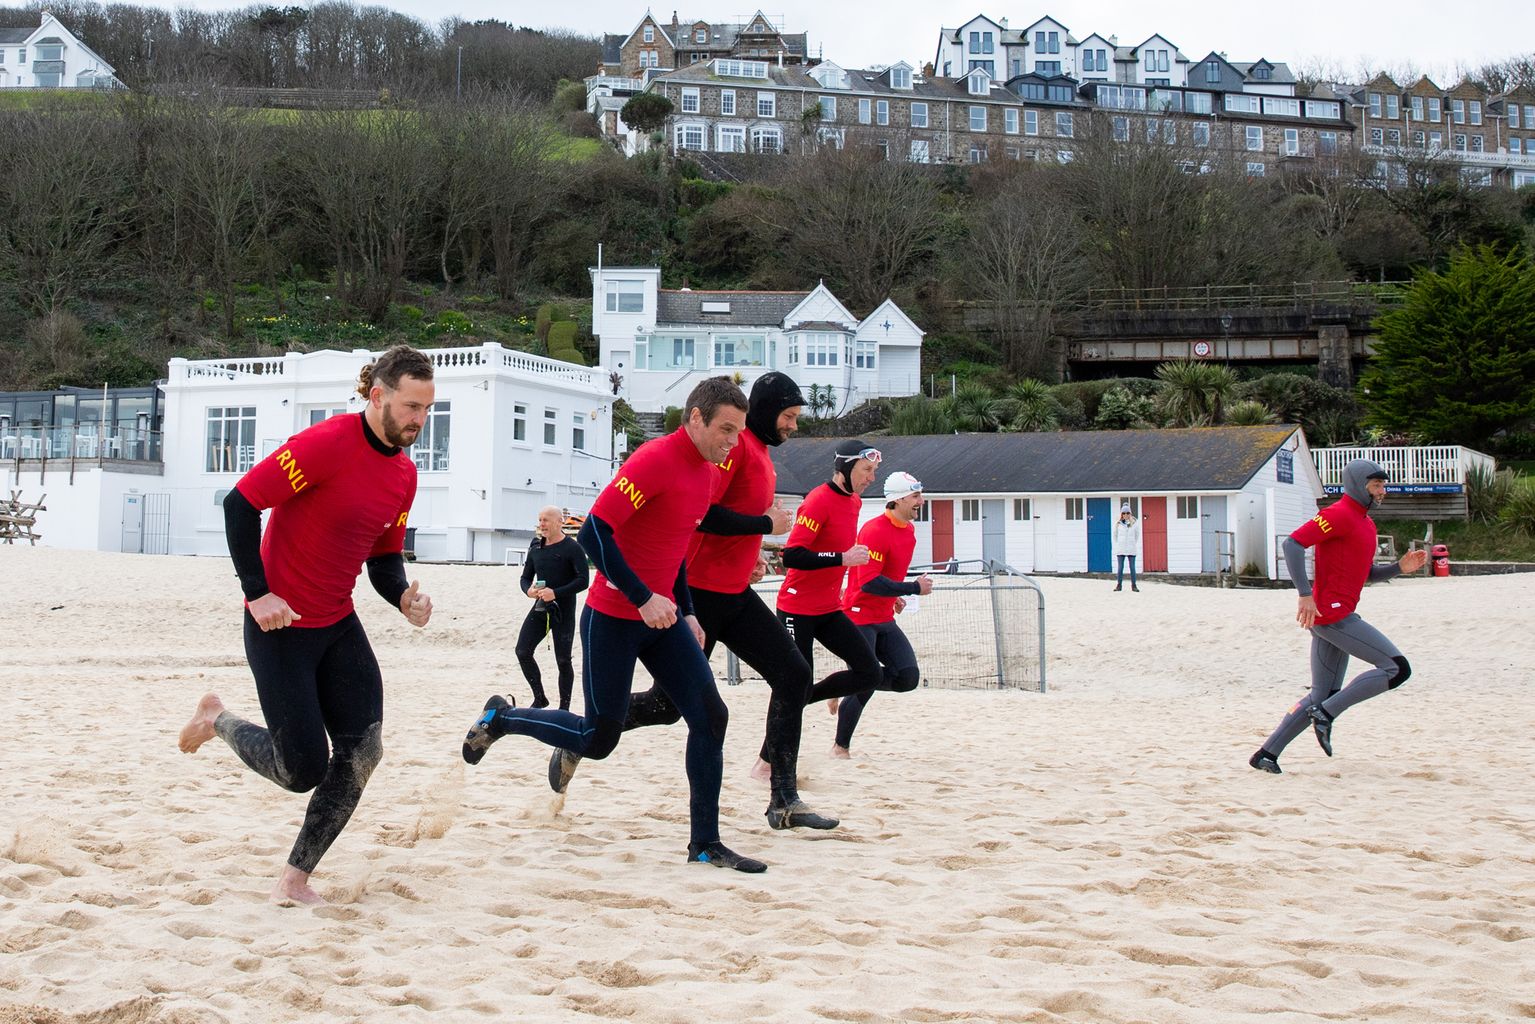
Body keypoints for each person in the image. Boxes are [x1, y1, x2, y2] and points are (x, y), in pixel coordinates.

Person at [461, 377, 768, 873]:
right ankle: (502, 718)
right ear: (696, 418)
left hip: (663, 617)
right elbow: (594, 534)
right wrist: (642, 597)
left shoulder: (707, 474)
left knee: (711, 716)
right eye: (726, 430)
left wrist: (688, 610)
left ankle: (705, 843)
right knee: (598, 738)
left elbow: (675, 550)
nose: (733, 442)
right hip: (613, 617)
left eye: (739, 431)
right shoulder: (654, 460)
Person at [177, 345, 436, 907]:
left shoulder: (404, 475)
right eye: (412, 407)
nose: (420, 419)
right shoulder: (324, 444)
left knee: (363, 752)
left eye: (427, 409)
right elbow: (240, 503)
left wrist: (402, 598)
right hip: (280, 627)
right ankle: (216, 718)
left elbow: (383, 559)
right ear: (378, 396)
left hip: (337, 622)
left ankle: (294, 879)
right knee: (301, 771)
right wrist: (258, 593)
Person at [546, 372, 846, 831]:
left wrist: (752, 553)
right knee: (668, 707)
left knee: (793, 673)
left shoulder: (753, 450)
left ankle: (783, 798)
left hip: (733, 591)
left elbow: (723, 516)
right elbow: (703, 517)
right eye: (787, 416)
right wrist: (764, 527)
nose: (793, 425)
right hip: (699, 591)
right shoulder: (727, 448)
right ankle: (584, 735)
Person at [1249, 458, 1428, 774]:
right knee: (1396, 668)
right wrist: (1304, 594)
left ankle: (1266, 754)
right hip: (1332, 615)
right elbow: (1293, 544)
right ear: (1358, 484)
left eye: (1383, 485)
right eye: (1376, 485)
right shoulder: (1338, 514)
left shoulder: (1365, 523)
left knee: (1322, 694)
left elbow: (1366, 573)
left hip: (1332, 616)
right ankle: (1327, 713)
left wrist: (1399, 568)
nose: (1382, 491)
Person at [774, 440, 887, 760]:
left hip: (828, 608)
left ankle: (804, 696)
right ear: (845, 468)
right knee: (795, 683)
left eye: (874, 471)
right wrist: (841, 558)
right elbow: (791, 556)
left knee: (870, 673)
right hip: (796, 608)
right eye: (866, 470)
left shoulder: (854, 502)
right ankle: (769, 760)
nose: (871, 478)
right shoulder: (817, 501)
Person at [831, 471, 934, 756]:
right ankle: (840, 748)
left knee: (907, 678)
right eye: (915, 496)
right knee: (866, 682)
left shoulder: (908, 531)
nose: (921, 501)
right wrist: (913, 588)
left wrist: (895, 595)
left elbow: (885, 576)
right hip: (858, 616)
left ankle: (843, 683)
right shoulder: (874, 530)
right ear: (898, 500)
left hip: (884, 616)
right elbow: (868, 582)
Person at [515, 505, 589, 710]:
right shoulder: (536, 548)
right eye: (540, 520)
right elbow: (525, 578)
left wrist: (555, 593)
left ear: (559, 522)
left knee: (563, 660)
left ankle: (564, 708)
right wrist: (528, 591)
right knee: (522, 651)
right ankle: (540, 698)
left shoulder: (572, 548)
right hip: (541, 607)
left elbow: (583, 581)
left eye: (546, 520)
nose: (542, 524)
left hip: (563, 610)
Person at [1113, 503, 1141, 592]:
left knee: (1132, 567)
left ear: (1130, 513)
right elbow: (1115, 535)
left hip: (1131, 548)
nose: (1126, 515)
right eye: (1124, 513)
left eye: (1127, 513)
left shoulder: (1134, 523)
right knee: (1120, 568)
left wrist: (1131, 542)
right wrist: (1120, 543)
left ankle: (1134, 585)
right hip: (1121, 548)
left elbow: (1137, 535)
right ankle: (1119, 585)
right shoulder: (1118, 524)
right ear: (1121, 514)